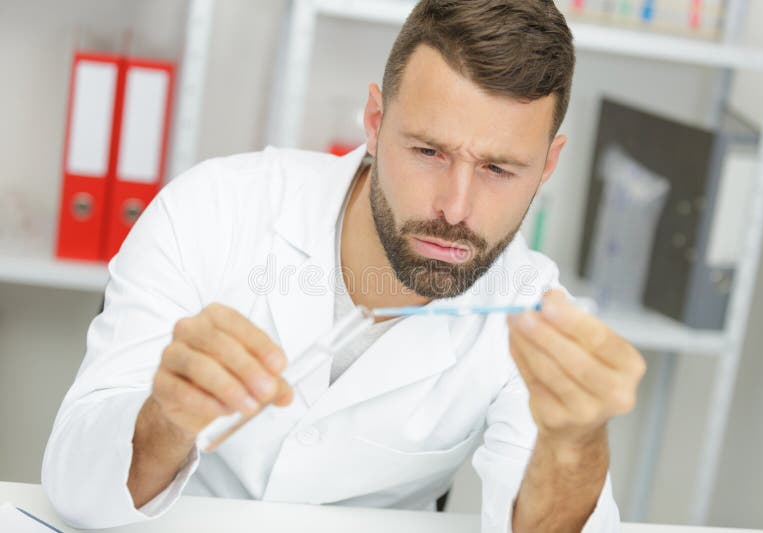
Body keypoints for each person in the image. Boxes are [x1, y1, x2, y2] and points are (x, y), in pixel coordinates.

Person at [43, 1, 645, 531]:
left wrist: (576, 440)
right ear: (376, 123)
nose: (455, 209)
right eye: (429, 152)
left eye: (498, 169)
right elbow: (75, 491)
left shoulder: (533, 310)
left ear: (546, 166)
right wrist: (167, 416)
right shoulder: (212, 209)